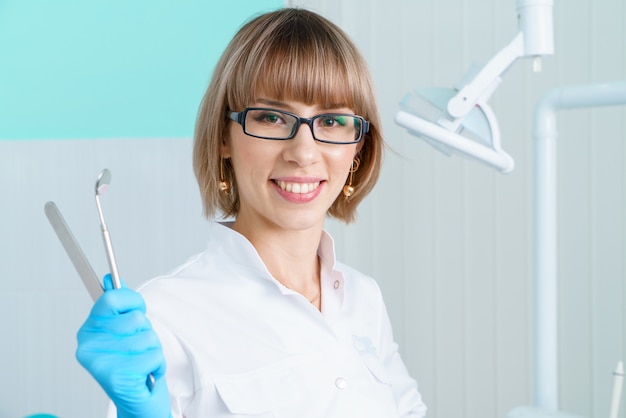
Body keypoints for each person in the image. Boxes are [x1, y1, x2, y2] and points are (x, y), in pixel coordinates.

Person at [76, 7, 427, 418]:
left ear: (357, 148)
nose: (303, 153)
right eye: (272, 117)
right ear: (224, 136)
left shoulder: (363, 298)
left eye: (331, 121)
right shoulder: (166, 314)